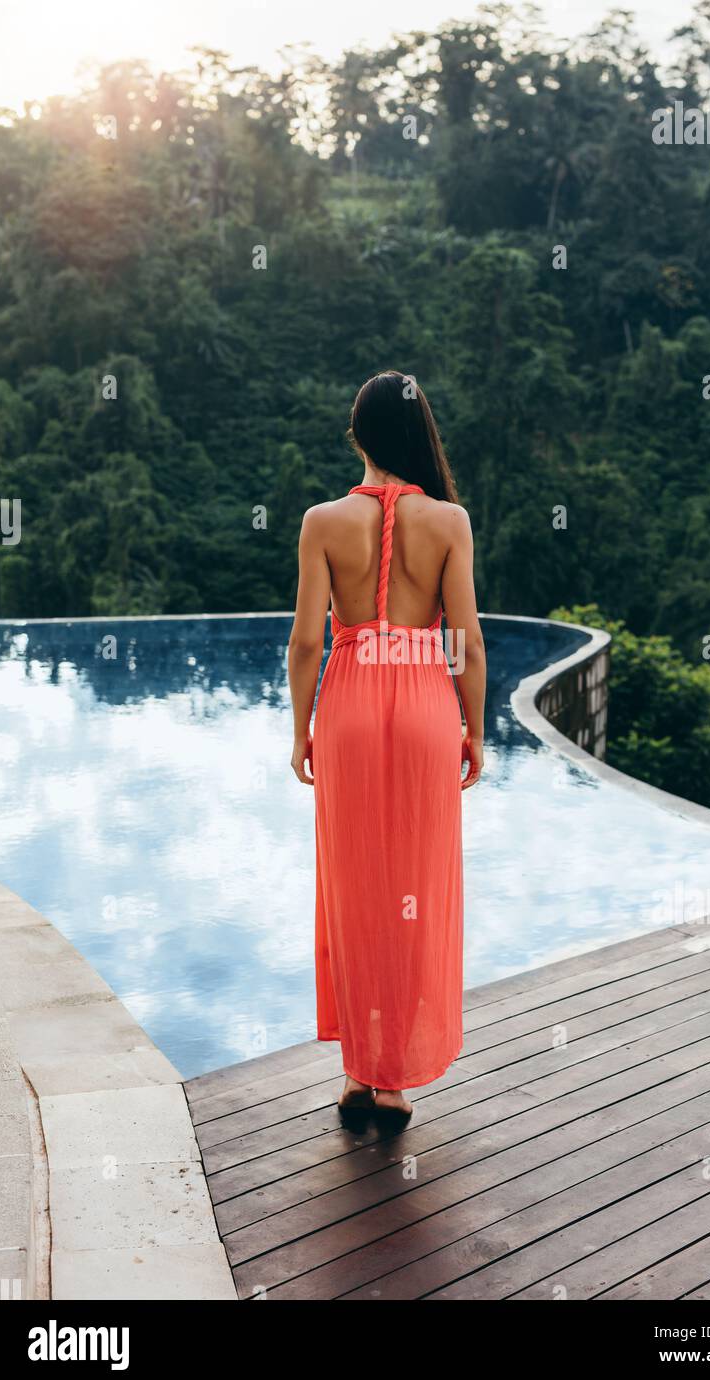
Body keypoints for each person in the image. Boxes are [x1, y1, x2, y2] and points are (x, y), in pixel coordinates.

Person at [288, 370, 486, 1129]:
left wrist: (299, 727)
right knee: (414, 890)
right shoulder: (450, 522)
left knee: (354, 885)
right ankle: (396, 1079)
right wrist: (473, 728)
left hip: (349, 707)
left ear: (358, 434)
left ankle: (357, 1074)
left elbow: (308, 641)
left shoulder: (322, 521)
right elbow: (464, 642)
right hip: (426, 706)